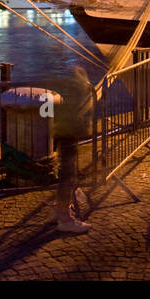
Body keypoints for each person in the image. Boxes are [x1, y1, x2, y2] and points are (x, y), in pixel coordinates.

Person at [52, 65, 94, 234]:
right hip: (69, 135)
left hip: (62, 134)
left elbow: (45, 111)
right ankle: (65, 218)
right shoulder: (77, 93)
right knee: (68, 176)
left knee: (66, 174)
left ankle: (58, 210)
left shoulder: (61, 93)